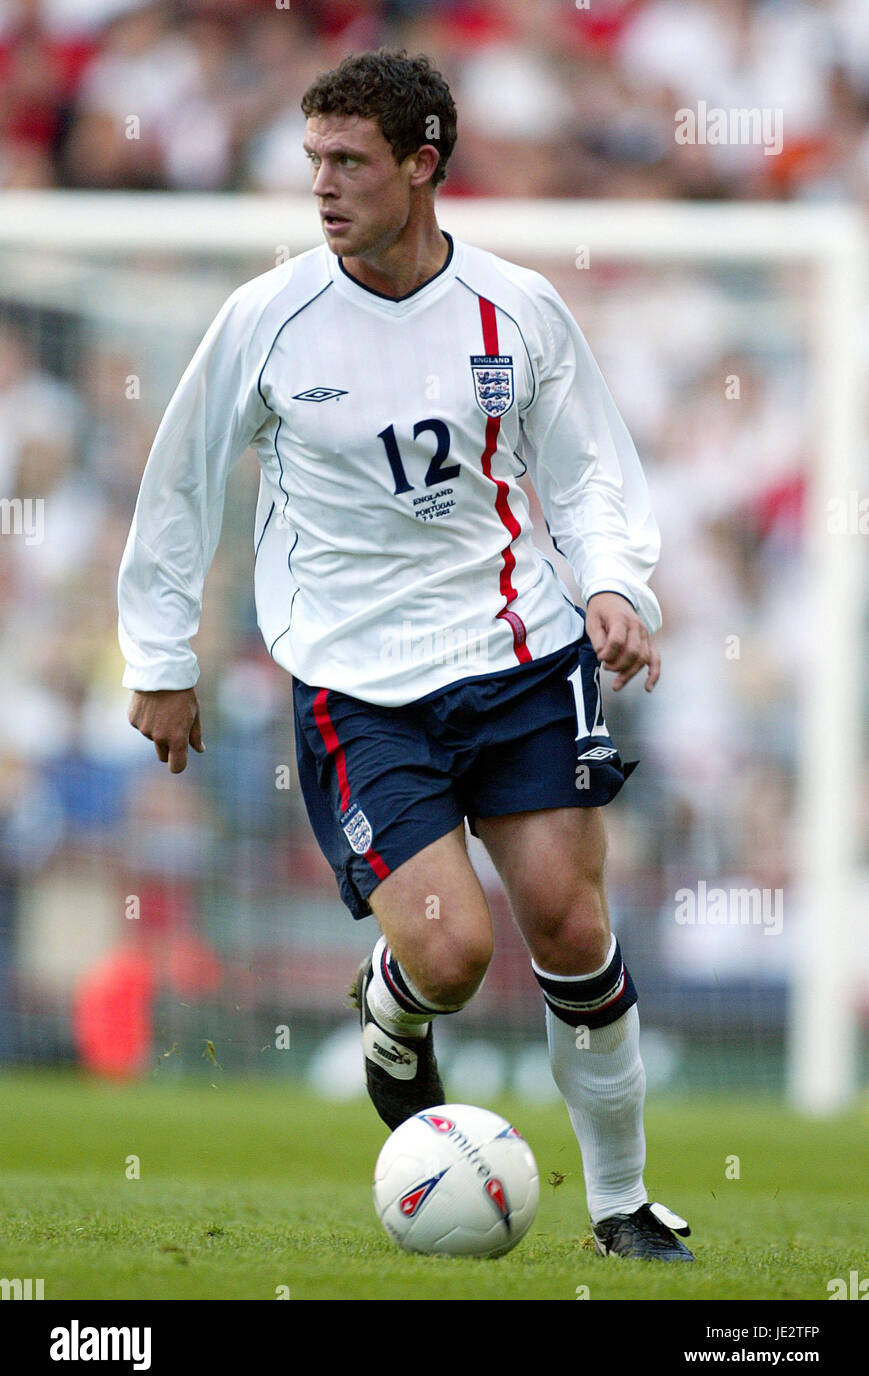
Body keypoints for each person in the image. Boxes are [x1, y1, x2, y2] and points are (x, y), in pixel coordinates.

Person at [118, 48, 693, 1262]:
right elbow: (179, 486)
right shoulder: (266, 317)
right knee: (449, 950)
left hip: (520, 652)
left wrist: (610, 585)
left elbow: (587, 468)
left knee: (567, 927)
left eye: (349, 162)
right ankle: (394, 1006)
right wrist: (160, 654)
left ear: (420, 166)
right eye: (312, 159)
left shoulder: (516, 306)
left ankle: (621, 1208)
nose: (321, 186)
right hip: (357, 682)